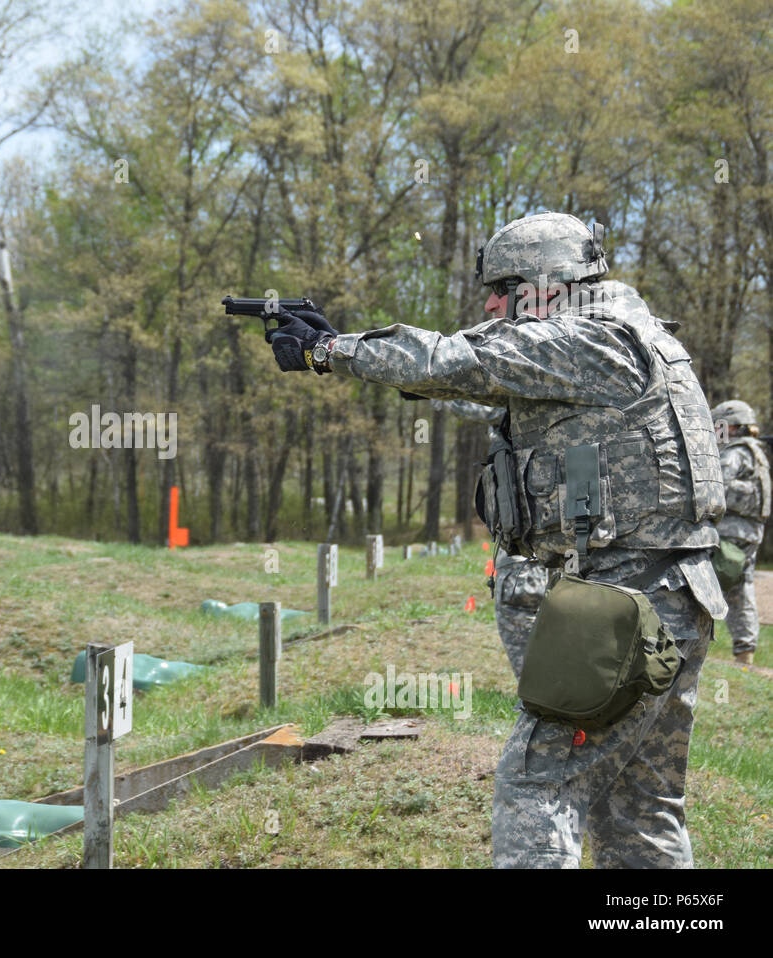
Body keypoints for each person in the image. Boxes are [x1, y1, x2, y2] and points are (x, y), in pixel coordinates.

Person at [264, 211, 727, 868]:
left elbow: (461, 358)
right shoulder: (626, 337)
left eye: (502, 287)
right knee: (639, 802)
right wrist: (356, 347)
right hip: (673, 600)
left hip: (624, 609)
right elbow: (468, 375)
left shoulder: (586, 339)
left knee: (538, 784)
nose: (489, 302)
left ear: (546, 282)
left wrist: (329, 349)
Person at [431, 397, 547, 678]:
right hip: (583, 550)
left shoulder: (521, 388)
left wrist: (436, 393)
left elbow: (479, 401)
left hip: (530, 550)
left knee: (538, 683)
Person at [709, 399, 769, 666]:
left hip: (731, 534)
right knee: (740, 589)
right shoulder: (757, 452)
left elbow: (715, 489)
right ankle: (745, 652)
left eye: (720, 426)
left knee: (711, 585)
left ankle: (738, 653)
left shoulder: (734, 453)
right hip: (750, 532)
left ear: (732, 427)